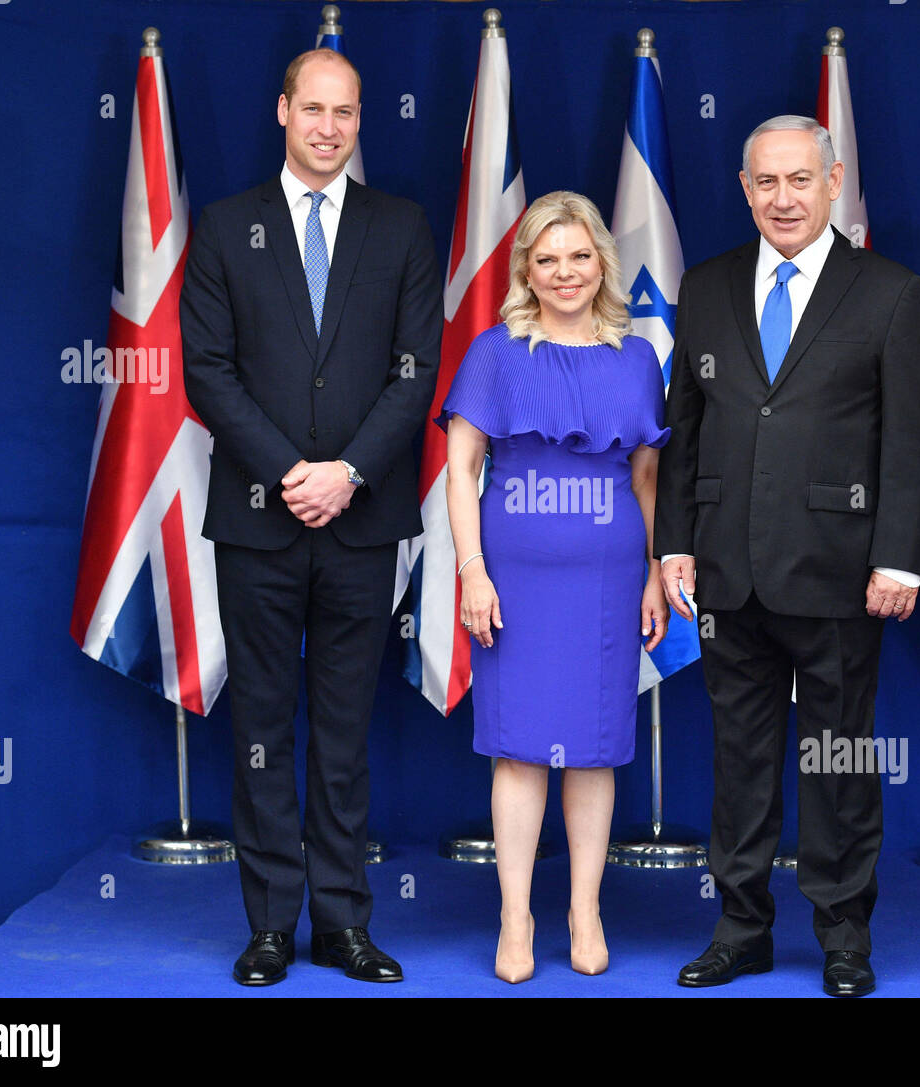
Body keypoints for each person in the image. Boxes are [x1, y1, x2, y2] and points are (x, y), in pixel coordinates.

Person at [655, 116, 920, 996]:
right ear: (745, 190)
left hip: (841, 572)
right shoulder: (703, 287)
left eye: (800, 181)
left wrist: (900, 557)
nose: (783, 198)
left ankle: (845, 933)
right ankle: (742, 927)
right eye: (766, 183)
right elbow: (683, 431)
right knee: (739, 760)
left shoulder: (891, 293)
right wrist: (672, 543)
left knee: (838, 758)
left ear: (833, 181)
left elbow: (911, 441)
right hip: (726, 572)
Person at [179, 48, 441, 986]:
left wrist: (349, 474)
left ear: (361, 120)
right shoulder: (222, 227)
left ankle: (344, 924)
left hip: (362, 525)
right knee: (261, 726)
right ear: (282, 110)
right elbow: (206, 370)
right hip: (258, 522)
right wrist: (295, 470)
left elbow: (417, 371)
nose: (329, 128)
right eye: (313, 109)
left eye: (347, 113)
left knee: (341, 733)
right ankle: (269, 927)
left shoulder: (402, 226)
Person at [440, 191, 670, 983]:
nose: (565, 272)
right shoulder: (495, 352)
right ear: (525, 271)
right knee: (519, 751)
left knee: (595, 750)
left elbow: (647, 475)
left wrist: (651, 570)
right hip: (514, 580)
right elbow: (461, 467)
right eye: (548, 259)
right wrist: (472, 570)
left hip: (609, 584)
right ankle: (515, 916)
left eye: (579, 257)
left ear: (601, 262)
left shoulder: (637, 357)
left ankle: (584, 908)